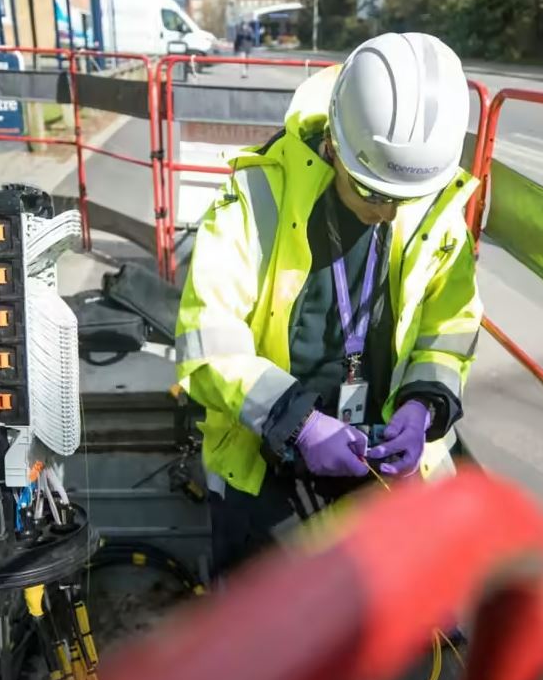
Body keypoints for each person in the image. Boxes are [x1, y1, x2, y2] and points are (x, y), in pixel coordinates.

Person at [175, 32, 482, 574]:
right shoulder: (255, 198)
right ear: (334, 144)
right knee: (265, 628)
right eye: (372, 193)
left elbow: (449, 327)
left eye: (405, 199)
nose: (388, 213)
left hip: (382, 456)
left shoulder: (434, 208)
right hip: (264, 455)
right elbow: (208, 344)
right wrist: (300, 423)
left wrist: (424, 404)